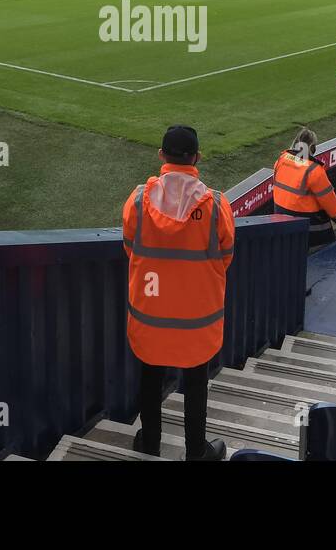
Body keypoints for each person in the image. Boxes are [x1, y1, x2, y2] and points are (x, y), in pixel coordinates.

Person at [122, 125, 233, 461]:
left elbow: (131, 247)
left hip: (149, 319)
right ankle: (195, 452)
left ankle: (150, 444)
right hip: (197, 323)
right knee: (196, 384)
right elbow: (224, 256)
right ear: (197, 157)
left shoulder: (138, 199)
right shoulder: (216, 205)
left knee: (150, 380)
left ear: (161, 155)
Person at [272, 127, 336, 248]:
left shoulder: (281, 159)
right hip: (306, 226)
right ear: (312, 147)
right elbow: (328, 198)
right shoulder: (314, 170)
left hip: (280, 217)